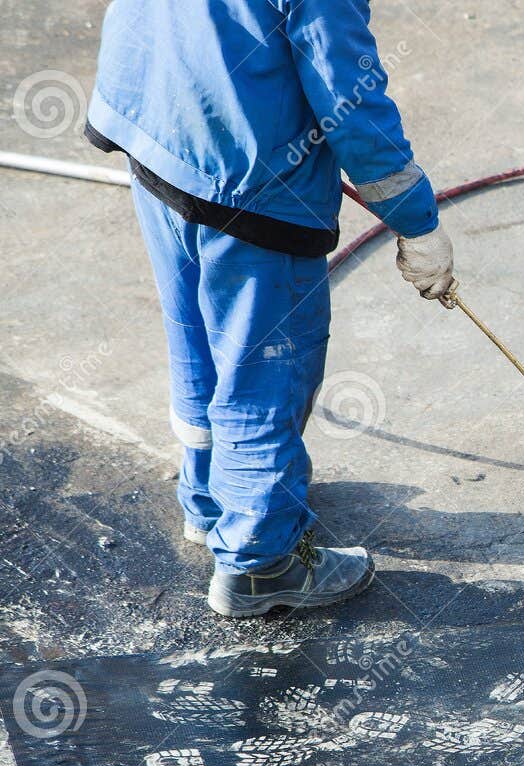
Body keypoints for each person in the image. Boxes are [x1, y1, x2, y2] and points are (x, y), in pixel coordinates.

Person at [86, 0, 457, 617]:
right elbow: (349, 96)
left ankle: (208, 503)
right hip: (253, 183)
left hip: (158, 132)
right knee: (265, 375)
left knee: (197, 336)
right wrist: (416, 223)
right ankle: (260, 564)